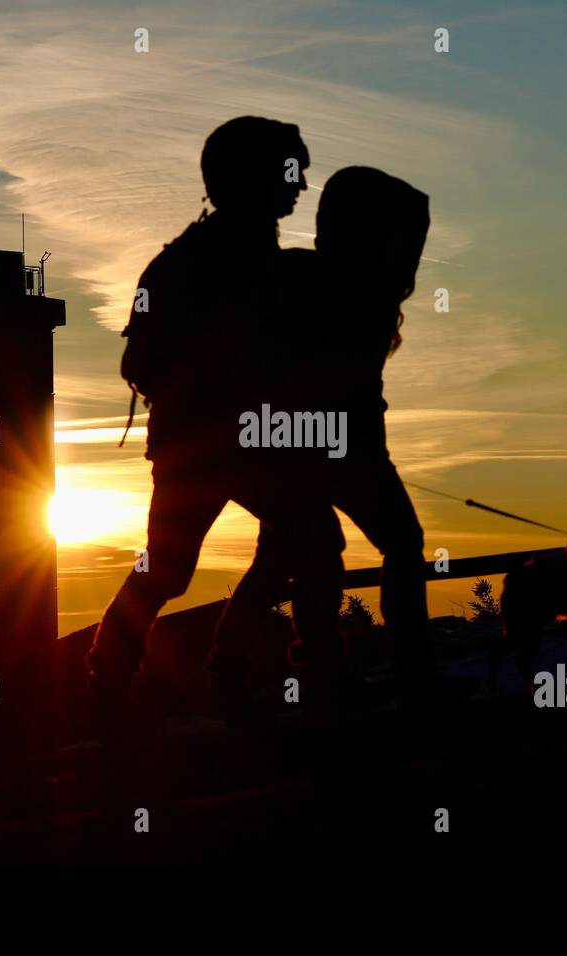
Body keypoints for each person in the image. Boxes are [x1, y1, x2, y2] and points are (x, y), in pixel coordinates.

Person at [85, 117, 345, 731]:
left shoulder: (212, 259)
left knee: (287, 546)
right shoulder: (206, 262)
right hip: (213, 446)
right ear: (249, 178)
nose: (302, 184)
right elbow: (143, 361)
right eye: (290, 171)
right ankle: (293, 683)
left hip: (218, 444)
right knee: (197, 564)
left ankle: (143, 680)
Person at [209, 166, 441, 710]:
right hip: (296, 444)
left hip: (317, 445)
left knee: (298, 552)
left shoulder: (353, 285)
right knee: (335, 547)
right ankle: (362, 670)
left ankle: (278, 669)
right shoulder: (318, 281)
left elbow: (356, 388)